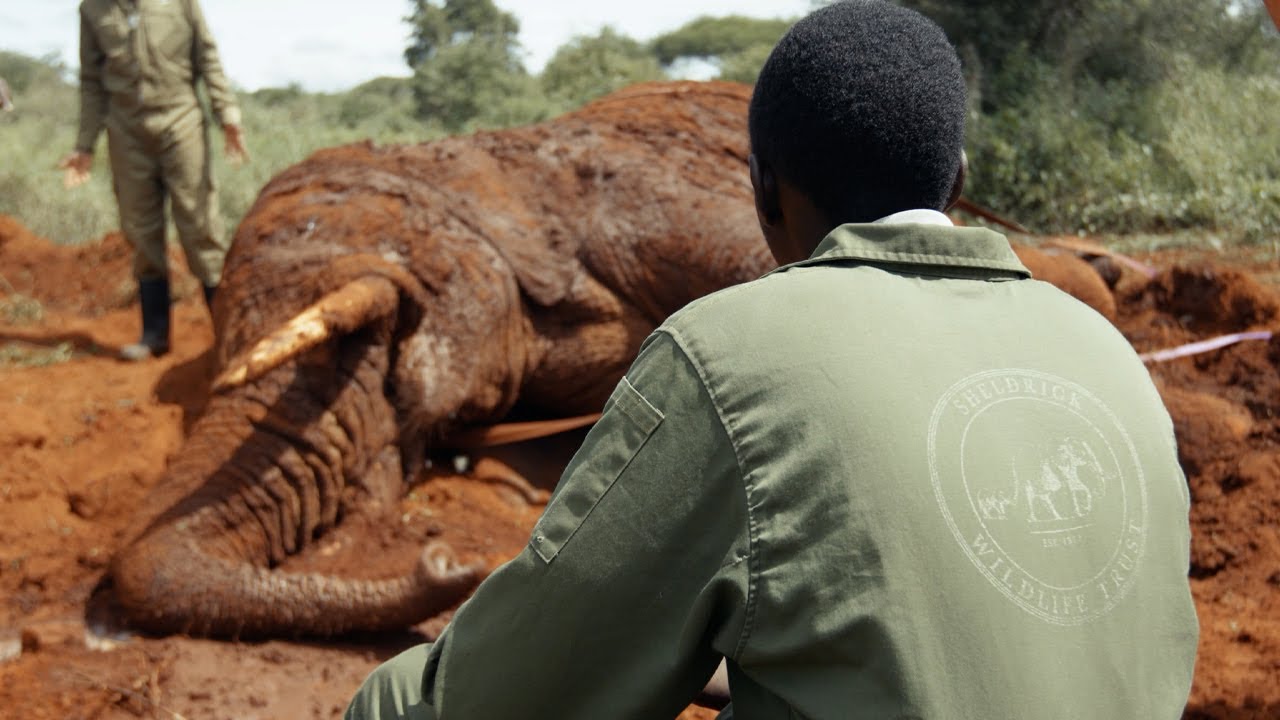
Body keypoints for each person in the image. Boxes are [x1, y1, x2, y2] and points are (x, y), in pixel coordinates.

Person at [345, 2, 1199, 717]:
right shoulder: (1109, 355)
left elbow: (507, 697)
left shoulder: (727, 357)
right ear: (957, 175)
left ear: (761, 187)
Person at [61, 0, 247, 361]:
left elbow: (207, 57)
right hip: (126, 128)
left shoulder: (181, 3)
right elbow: (91, 81)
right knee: (139, 229)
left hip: (181, 119)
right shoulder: (92, 9)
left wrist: (228, 115)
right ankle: (155, 335)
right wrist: (84, 144)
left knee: (200, 225)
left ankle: (228, 334)